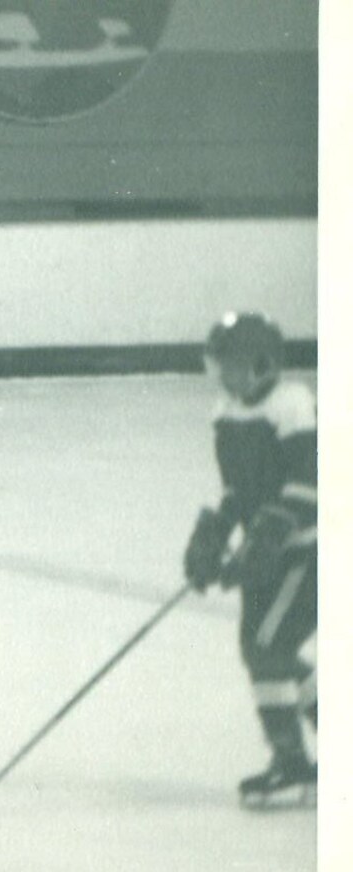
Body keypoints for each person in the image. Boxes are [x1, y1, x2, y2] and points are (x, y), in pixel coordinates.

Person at [183, 312, 317, 805]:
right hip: (274, 551)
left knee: (268, 647)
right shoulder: (227, 413)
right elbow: (238, 490)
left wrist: (271, 532)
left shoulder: (294, 405)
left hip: (314, 551)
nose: (223, 375)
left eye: (233, 364)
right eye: (220, 364)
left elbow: (310, 481)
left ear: (262, 365)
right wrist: (214, 535)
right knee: (261, 650)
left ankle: (293, 765)